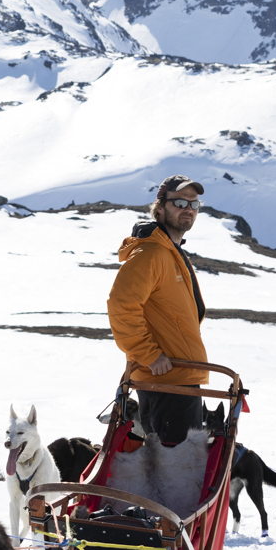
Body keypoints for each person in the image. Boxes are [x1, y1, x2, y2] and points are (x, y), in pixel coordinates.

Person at [107, 175, 209, 446]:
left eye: (194, 203)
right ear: (160, 208)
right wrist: (148, 354)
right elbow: (121, 307)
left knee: (176, 469)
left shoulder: (170, 252)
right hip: (165, 380)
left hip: (179, 377)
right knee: (175, 471)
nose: (188, 208)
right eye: (179, 202)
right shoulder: (152, 254)